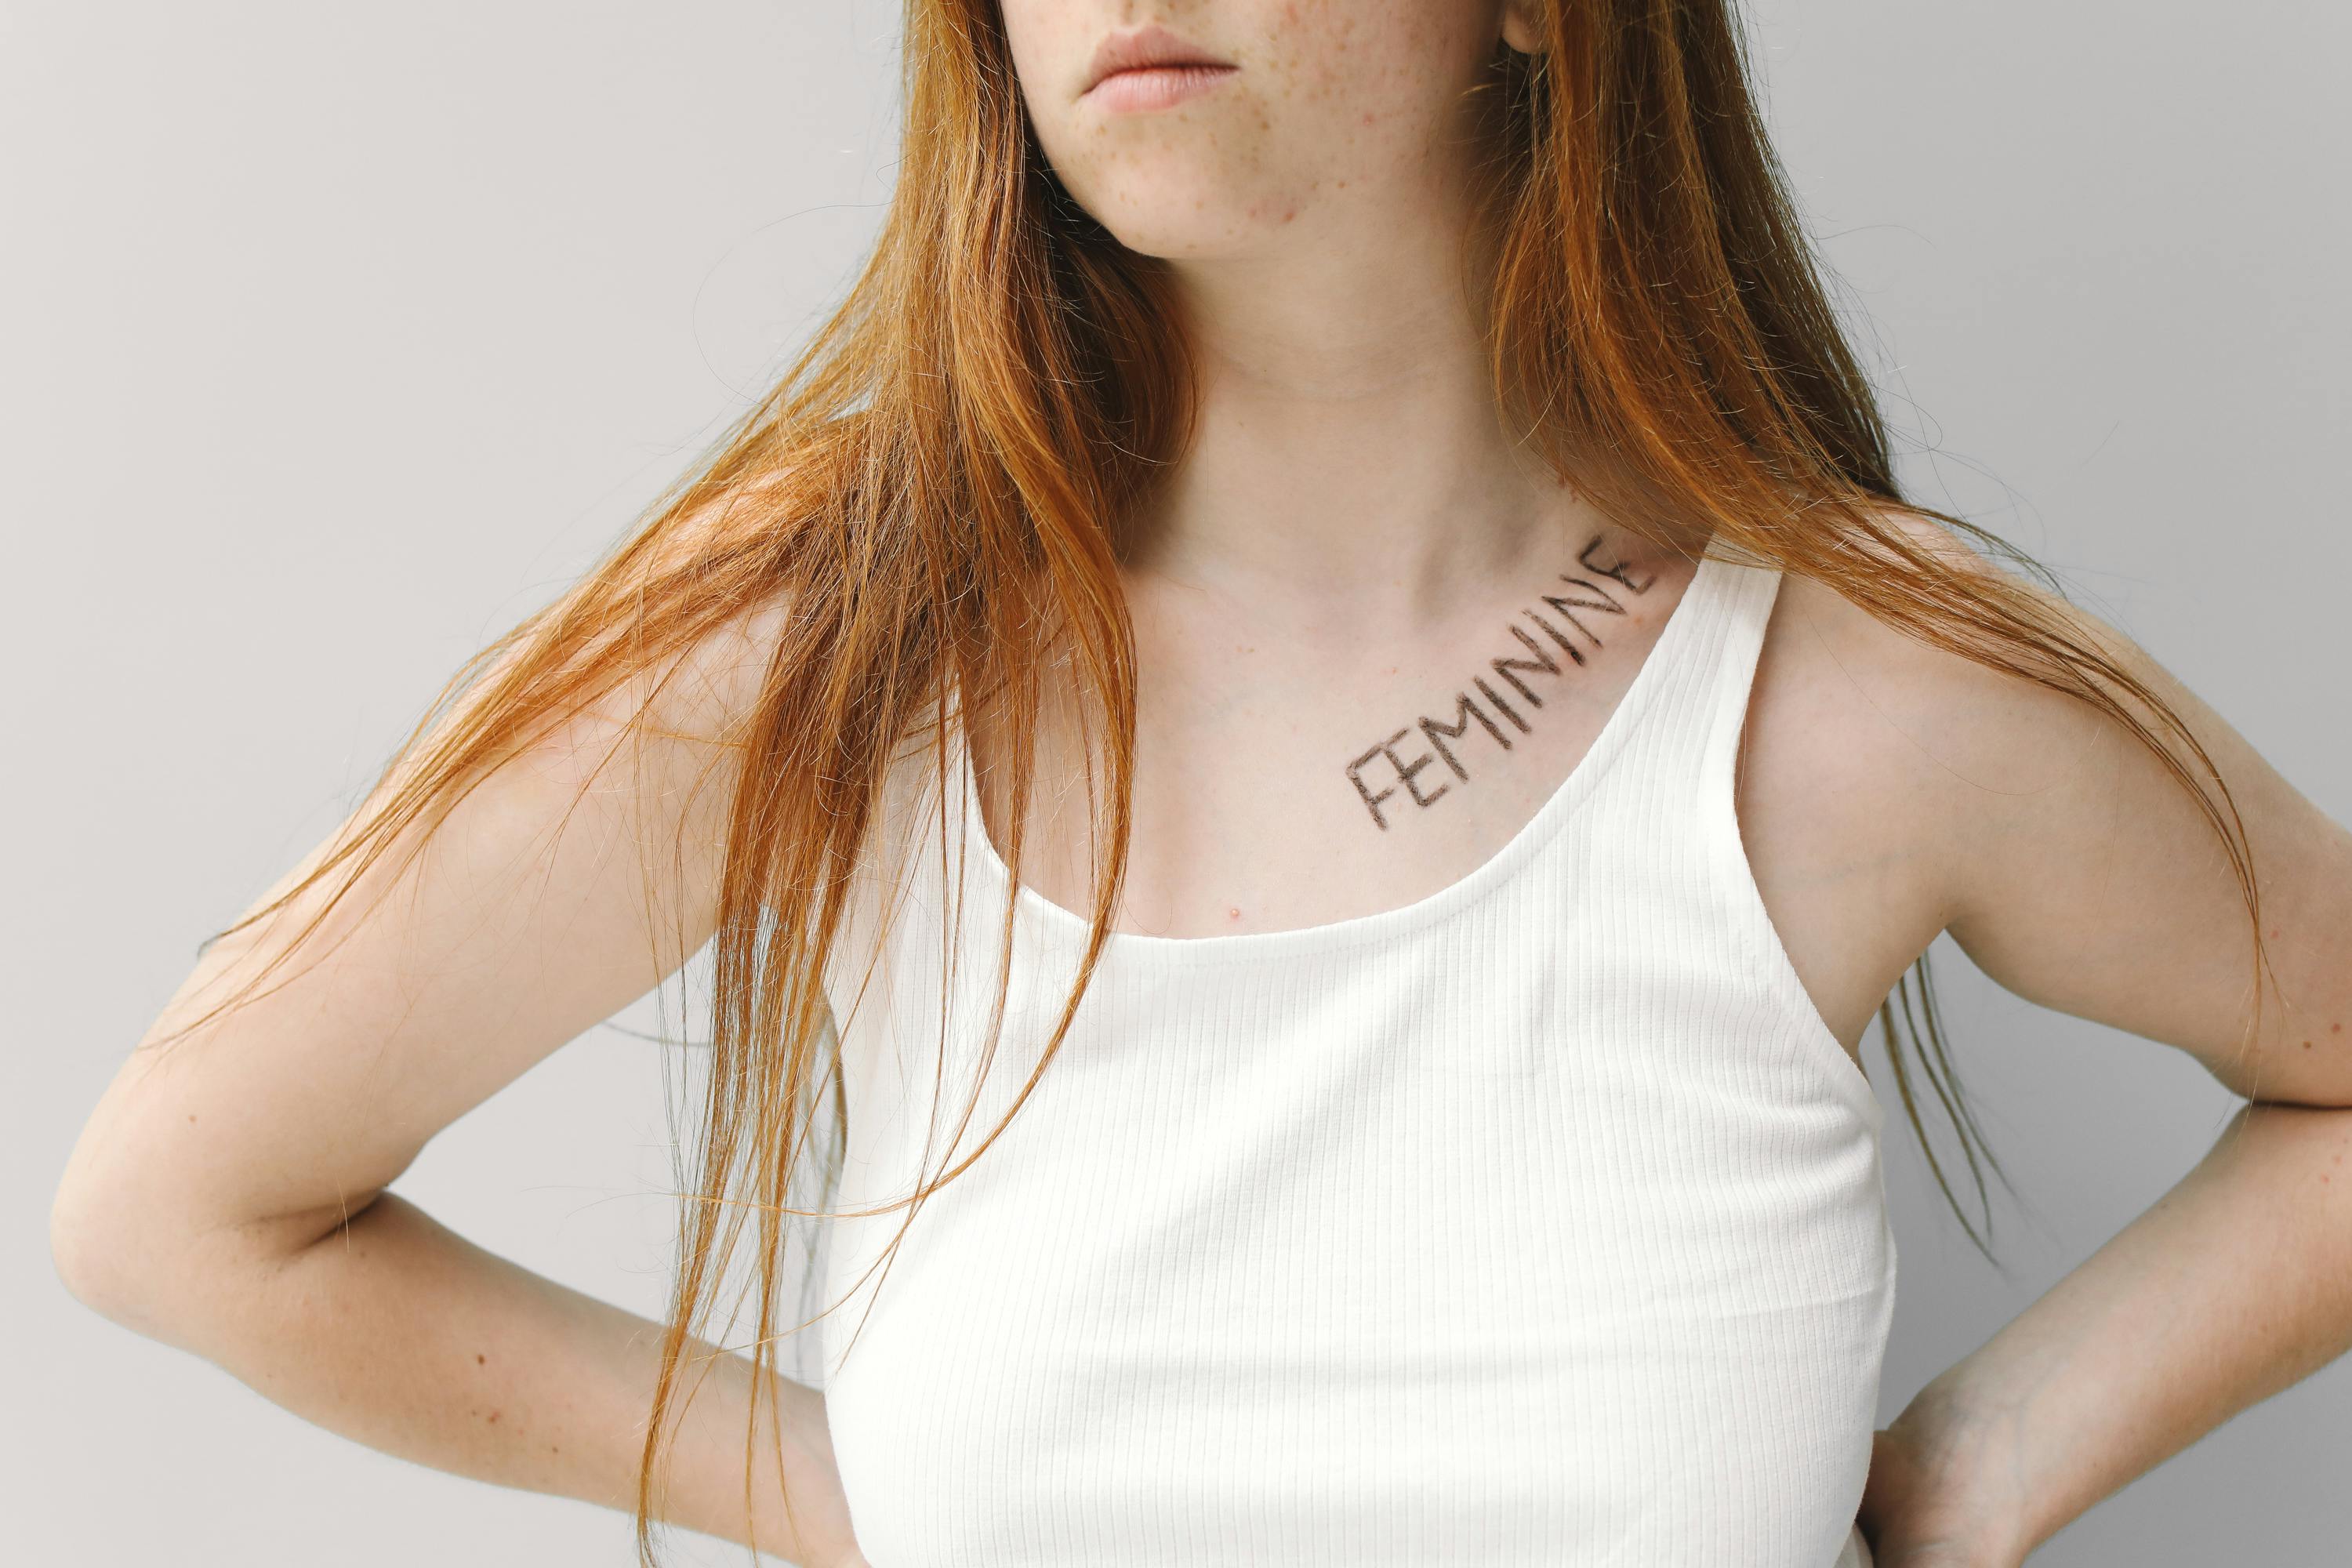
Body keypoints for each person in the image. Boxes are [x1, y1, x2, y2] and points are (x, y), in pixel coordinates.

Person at [49, 3, 2352, 1566]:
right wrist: (894, 1512)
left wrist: (1968, 1474)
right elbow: (182, 1207)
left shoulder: (1863, 680)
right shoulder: (830, 645)